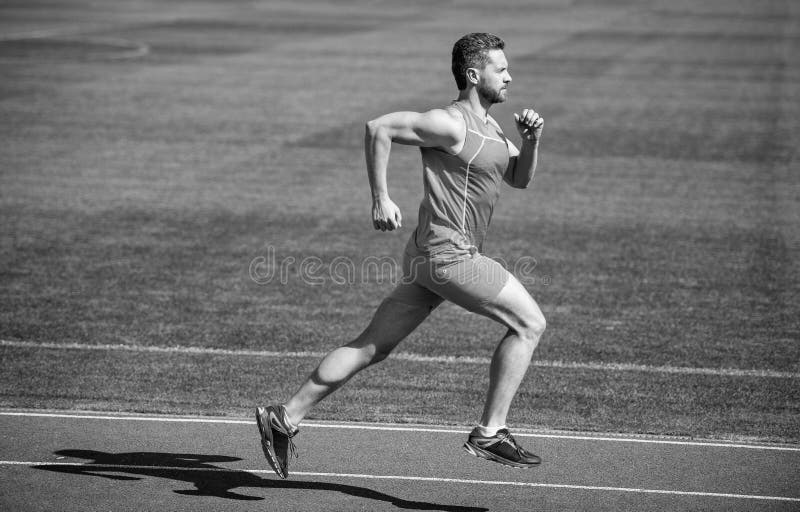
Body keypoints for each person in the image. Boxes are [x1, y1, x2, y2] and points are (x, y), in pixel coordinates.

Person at [256, 32, 546, 479]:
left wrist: (531, 140)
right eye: (501, 69)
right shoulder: (452, 124)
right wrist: (381, 198)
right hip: (450, 256)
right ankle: (490, 432)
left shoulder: (491, 128)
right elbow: (379, 127)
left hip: (428, 257)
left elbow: (520, 179)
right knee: (530, 324)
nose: (510, 76)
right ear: (474, 74)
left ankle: (285, 417)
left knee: (372, 346)